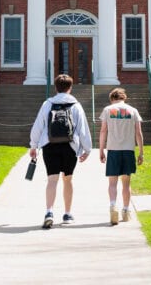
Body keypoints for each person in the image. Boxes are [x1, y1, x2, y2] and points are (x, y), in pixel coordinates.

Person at [28, 73, 91, 229]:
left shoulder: (47, 104)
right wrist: (87, 149)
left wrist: (33, 145)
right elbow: (83, 129)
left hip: (50, 145)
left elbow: (38, 126)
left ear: (55, 88)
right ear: (70, 88)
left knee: (52, 180)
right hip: (70, 146)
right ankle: (67, 214)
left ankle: (49, 212)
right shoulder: (76, 105)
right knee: (67, 179)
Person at [98, 87, 145, 225]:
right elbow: (138, 133)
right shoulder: (133, 110)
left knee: (112, 183)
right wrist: (141, 152)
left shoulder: (108, 110)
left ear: (112, 98)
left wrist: (101, 150)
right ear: (124, 97)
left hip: (113, 150)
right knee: (126, 183)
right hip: (128, 150)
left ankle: (113, 206)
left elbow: (103, 131)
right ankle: (125, 210)